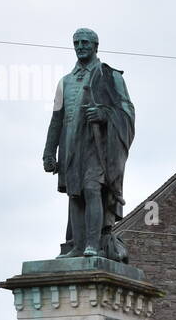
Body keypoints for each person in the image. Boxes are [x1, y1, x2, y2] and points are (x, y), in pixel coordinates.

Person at [43, 27, 135, 261]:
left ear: (95, 46)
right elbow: (56, 119)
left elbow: (126, 111)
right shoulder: (65, 82)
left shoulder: (110, 76)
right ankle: (78, 246)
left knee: (92, 189)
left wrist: (104, 114)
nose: (80, 46)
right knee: (75, 195)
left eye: (85, 42)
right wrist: (48, 153)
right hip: (71, 147)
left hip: (97, 147)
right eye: (76, 43)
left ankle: (92, 245)